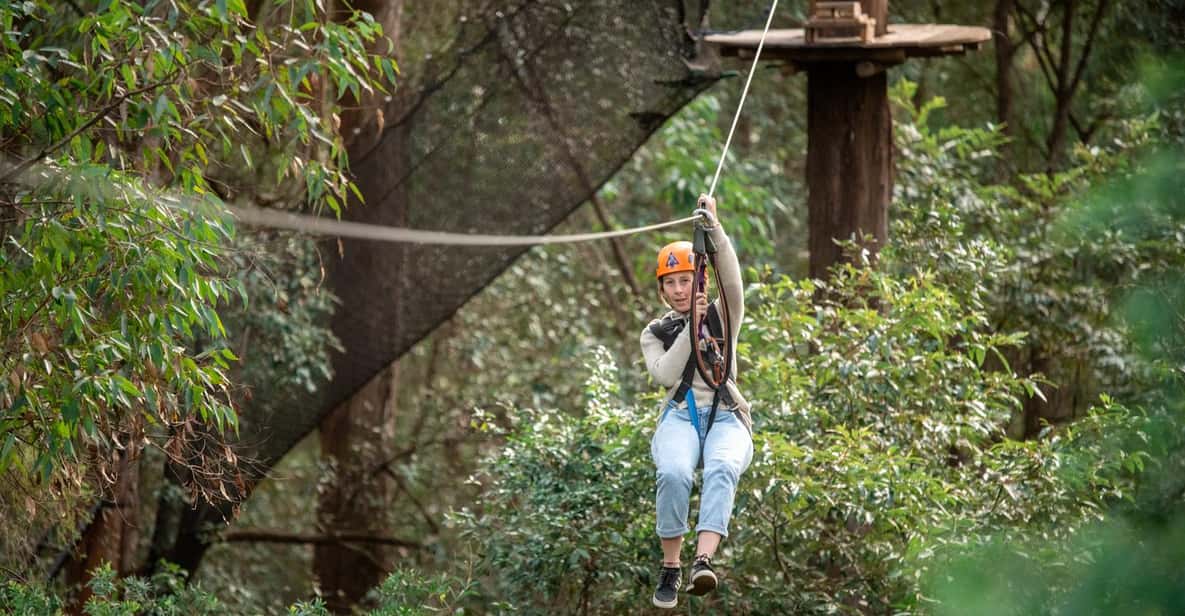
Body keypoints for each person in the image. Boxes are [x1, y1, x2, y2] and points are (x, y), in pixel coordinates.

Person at [641, 194, 753, 609]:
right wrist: (691, 324)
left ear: (699, 281)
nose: (677, 289)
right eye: (669, 283)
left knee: (723, 466)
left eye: (685, 280)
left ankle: (703, 560)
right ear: (661, 290)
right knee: (673, 472)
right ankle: (671, 566)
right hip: (681, 415)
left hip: (726, 414)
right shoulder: (655, 332)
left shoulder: (724, 315)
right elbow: (667, 375)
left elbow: (734, 281)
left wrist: (715, 230)